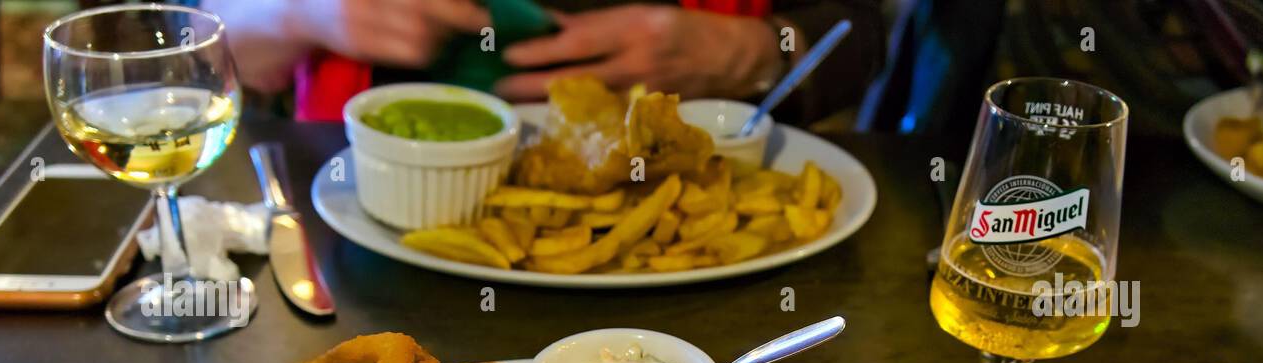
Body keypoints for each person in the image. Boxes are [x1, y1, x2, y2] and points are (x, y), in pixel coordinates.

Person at [201, 0, 883, 125]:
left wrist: (750, 52)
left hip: (703, 291)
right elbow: (213, 46)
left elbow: (862, 36)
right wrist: (302, 10)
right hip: (358, 263)